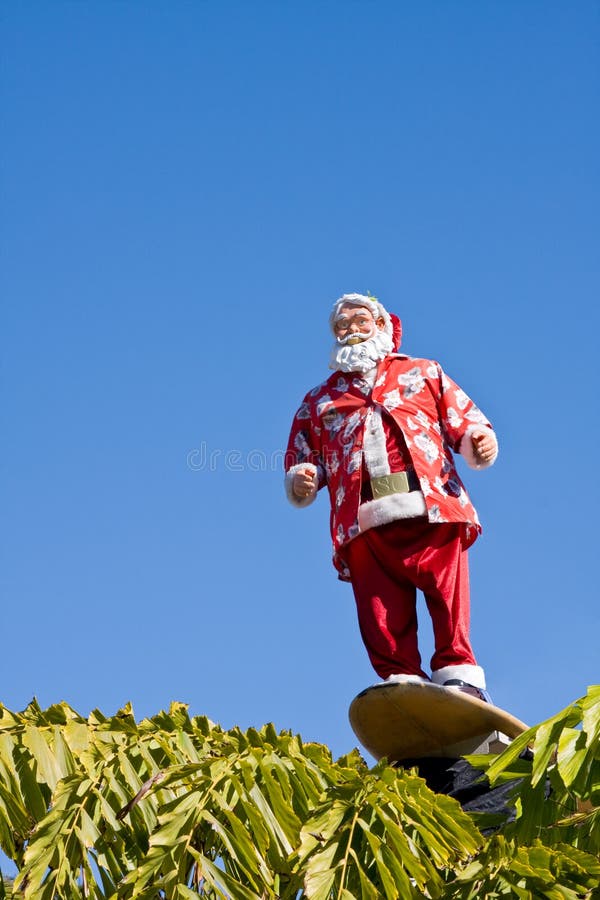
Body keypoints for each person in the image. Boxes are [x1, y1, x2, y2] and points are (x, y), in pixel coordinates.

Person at [284, 293, 498, 701]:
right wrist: (302, 478)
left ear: (381, 325)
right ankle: (402, 677)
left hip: (431, 504)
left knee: (446, 594)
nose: (350, 330)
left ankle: (458, 673)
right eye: (341, 325)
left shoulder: (423, 372)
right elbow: (303, 455)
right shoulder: (319, 401)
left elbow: (463, 419)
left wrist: (477, 439)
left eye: (359, 321)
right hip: (362, 518)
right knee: (379, 605)